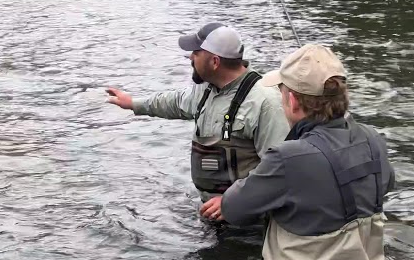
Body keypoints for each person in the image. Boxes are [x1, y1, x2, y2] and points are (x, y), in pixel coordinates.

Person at [205, 44, 395, 260]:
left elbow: (234, 209)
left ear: (293, 101)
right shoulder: (373, 140)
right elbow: (384, 185)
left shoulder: (287, 157)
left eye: (282, 95)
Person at [106, 22, 289, 213]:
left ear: (215, 62)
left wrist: (235, 201)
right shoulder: (206, 88)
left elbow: (279, 169)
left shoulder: (266, 101)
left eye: (196, 52)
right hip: (213, 213)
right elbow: (175, 102)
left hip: (250, 221)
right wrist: (133, 103)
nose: (190, 57)